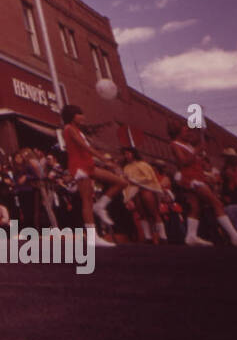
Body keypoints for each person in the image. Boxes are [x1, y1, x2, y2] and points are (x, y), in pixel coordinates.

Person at [168, 124, 237, 247]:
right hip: (191, 177)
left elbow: (201, 145)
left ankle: (191, 236)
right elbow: (183, 162)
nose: (188, 133)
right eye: (186, 131)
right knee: (216, 203)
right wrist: (196, 152)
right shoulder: (175, 145)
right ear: (178, 133)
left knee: (195, 207)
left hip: (196, 176)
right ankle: (235, 236)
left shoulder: (188, 145)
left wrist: (202, 134)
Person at [61, 105, 128, 249]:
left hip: (88, 164)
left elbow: (86, 150)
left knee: (121, 182)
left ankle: (101, 205)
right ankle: (93, 237)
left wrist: (104, 160)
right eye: (80, 114)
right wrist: (104, 159)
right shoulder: (68, 129)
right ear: (73, 116)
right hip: (80, 167)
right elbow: (85, 148)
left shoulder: (78, 130)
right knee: (87, 201)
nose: (83, 117)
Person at [120, 146, 166, 245]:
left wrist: (135, 181)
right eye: (125, 154)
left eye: (128, 153)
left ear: (133, 153)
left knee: (154, 212)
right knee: (142, 214)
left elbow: (149, 178)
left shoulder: (143, 165)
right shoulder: (126, 167)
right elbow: (125, 181)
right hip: (134, 191)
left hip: (146, 189)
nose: (126, 156)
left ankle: (162, 236)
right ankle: (148, 237)